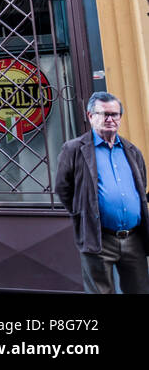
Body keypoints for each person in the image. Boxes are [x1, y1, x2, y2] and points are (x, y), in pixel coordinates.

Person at [56, 91, 149, 294]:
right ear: (90, 116)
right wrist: (83, 213)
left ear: (120, 118)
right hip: (99, 237)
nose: (110, 119)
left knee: (140, 290)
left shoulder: (132, 151)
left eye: (114, 114)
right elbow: (63, 188)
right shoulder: (74, 149)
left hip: (134, 238)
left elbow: (141, 185)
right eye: (103, 114)